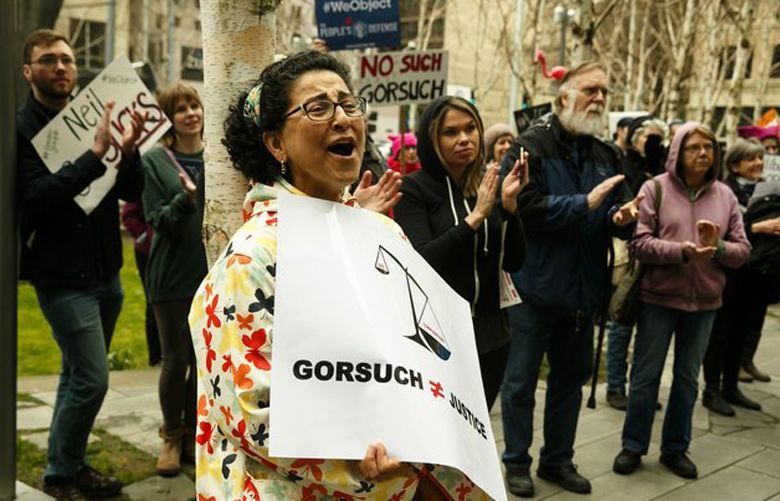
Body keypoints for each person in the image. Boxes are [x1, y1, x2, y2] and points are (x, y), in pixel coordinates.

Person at [188, 51, 490, 500]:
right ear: (276, 143)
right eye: (318, 107)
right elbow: (252, 413)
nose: (343, 118)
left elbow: (418, 348)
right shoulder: (252, 258)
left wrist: (434, 426)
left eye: (348, 104)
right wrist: (357, 459)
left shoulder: (383, 233)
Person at [498, 61, 640, 497]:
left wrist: (623, 219)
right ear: (564, 97)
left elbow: (616, 212)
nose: (599, 99)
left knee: (569, 382)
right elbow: (523, 208)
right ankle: (516, 462)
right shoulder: (528, 147)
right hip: (533, 289)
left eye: (604, 92)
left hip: (582, 292)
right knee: (519, 383)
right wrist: (584, 203)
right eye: (590, 90)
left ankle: (558, 460)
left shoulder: (606, 154)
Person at [17, 29, 146, 500]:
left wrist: (127, 153)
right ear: (28, 71)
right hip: (62, 277)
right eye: (49, 60)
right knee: (92, 379)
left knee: (76, 376)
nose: (61, 67)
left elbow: (130, 191)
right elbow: (35, 198)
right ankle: (58, 476)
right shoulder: (20, 130)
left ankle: (67, 465)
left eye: (67, 60)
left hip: (106, 272)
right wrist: (93, 157)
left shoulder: (96, 114)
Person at [613, 122, 751, 479]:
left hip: (704, 303)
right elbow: (639, 243)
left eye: (708, 147)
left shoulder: (726, 196)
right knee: (645, 376)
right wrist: (682, 251)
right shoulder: (655, 188)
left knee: (688, 379)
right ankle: (633, 445)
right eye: (693, 147)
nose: (703, 153)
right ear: (677, 152)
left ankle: (675, 449)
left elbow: (742, 251)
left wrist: (717, 247)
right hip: (658, 299)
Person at [394, 96, 527, 412]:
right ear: (432, 140)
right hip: (440, 335)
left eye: (470, 128)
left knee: (480, 426)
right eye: (451, 132)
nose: (465, 139)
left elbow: (514, 261)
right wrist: (475, 218)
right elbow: (421, 261)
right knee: (441, 426)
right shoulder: (414, 189)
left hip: (493, 334)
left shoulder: (488, 183)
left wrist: (510, 208)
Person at [140, 82, 208, 476]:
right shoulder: (155, 160)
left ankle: (194, 436)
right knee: (175, 359)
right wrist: (185, 199)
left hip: (208, 274)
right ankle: (171, 437)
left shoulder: (217, 156)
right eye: (180, 109)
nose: (190, 114)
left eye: (194, 105)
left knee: (202, 361)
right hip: (169, 276)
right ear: (168, 118)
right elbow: (157, 220)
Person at [702, 139, 770, 416]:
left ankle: (731, 386)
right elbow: (718, 230)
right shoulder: (722, 191)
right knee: (720, 332)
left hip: (756, 273)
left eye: (760, 158)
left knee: (741, 332)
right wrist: (757, 227)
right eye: (751, 159)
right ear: (734, 165)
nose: (758, 163)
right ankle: (711, 390)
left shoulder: (768, 190)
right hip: (728, 274)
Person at [606, 115, 667, 410]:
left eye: (658, 139)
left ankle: (641, 388)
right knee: (621, 320)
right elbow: (626, 202)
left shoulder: (665, 167)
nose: (652, 143)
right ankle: (615, 386)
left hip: (660, 257)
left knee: (649, 332)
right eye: (647, 137)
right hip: (631, 254)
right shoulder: (622, 162)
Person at [120, 200, 161, 366]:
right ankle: (156, 357)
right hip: (147, 252)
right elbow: (128, 214)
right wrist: (145, 236)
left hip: (167, 250)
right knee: (153, 301)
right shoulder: (146, 185)